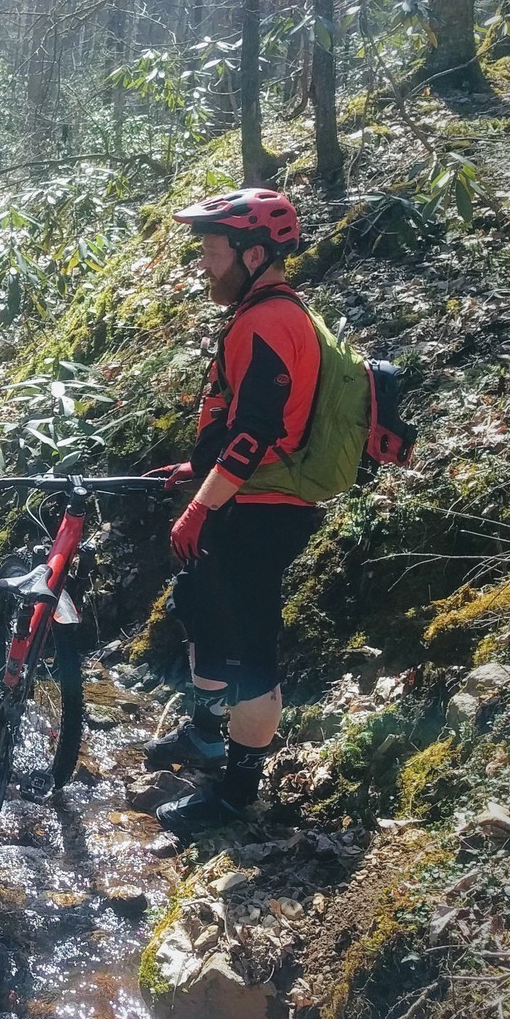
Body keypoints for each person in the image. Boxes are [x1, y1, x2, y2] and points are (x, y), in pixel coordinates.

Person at [141, 187, 323, 839]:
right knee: (203, 609)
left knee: (250, 648)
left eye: (212, 252)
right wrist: (198, 473)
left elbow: (254, 433)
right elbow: (249, 435)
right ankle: (208, 740)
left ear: (253, 252)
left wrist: (197, 507)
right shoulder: (262, 315)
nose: (203, 265)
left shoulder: (269, 322)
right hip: (242, 501)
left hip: (261, 512)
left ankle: (235, 795)